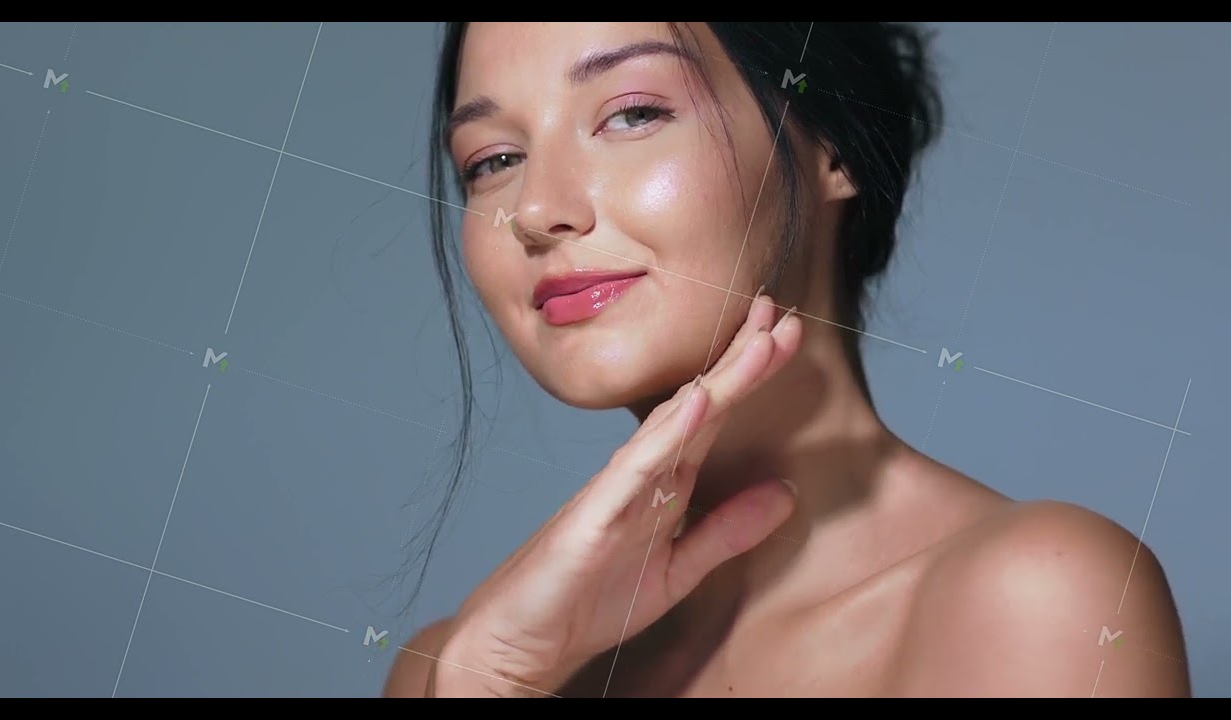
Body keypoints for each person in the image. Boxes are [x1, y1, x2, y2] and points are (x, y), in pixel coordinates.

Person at [382, 22, 1191, 698]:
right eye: (492, 161)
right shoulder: (456, 667)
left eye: (630, 114)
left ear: (831, 144)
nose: (536, 211)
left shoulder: (1042, 599)